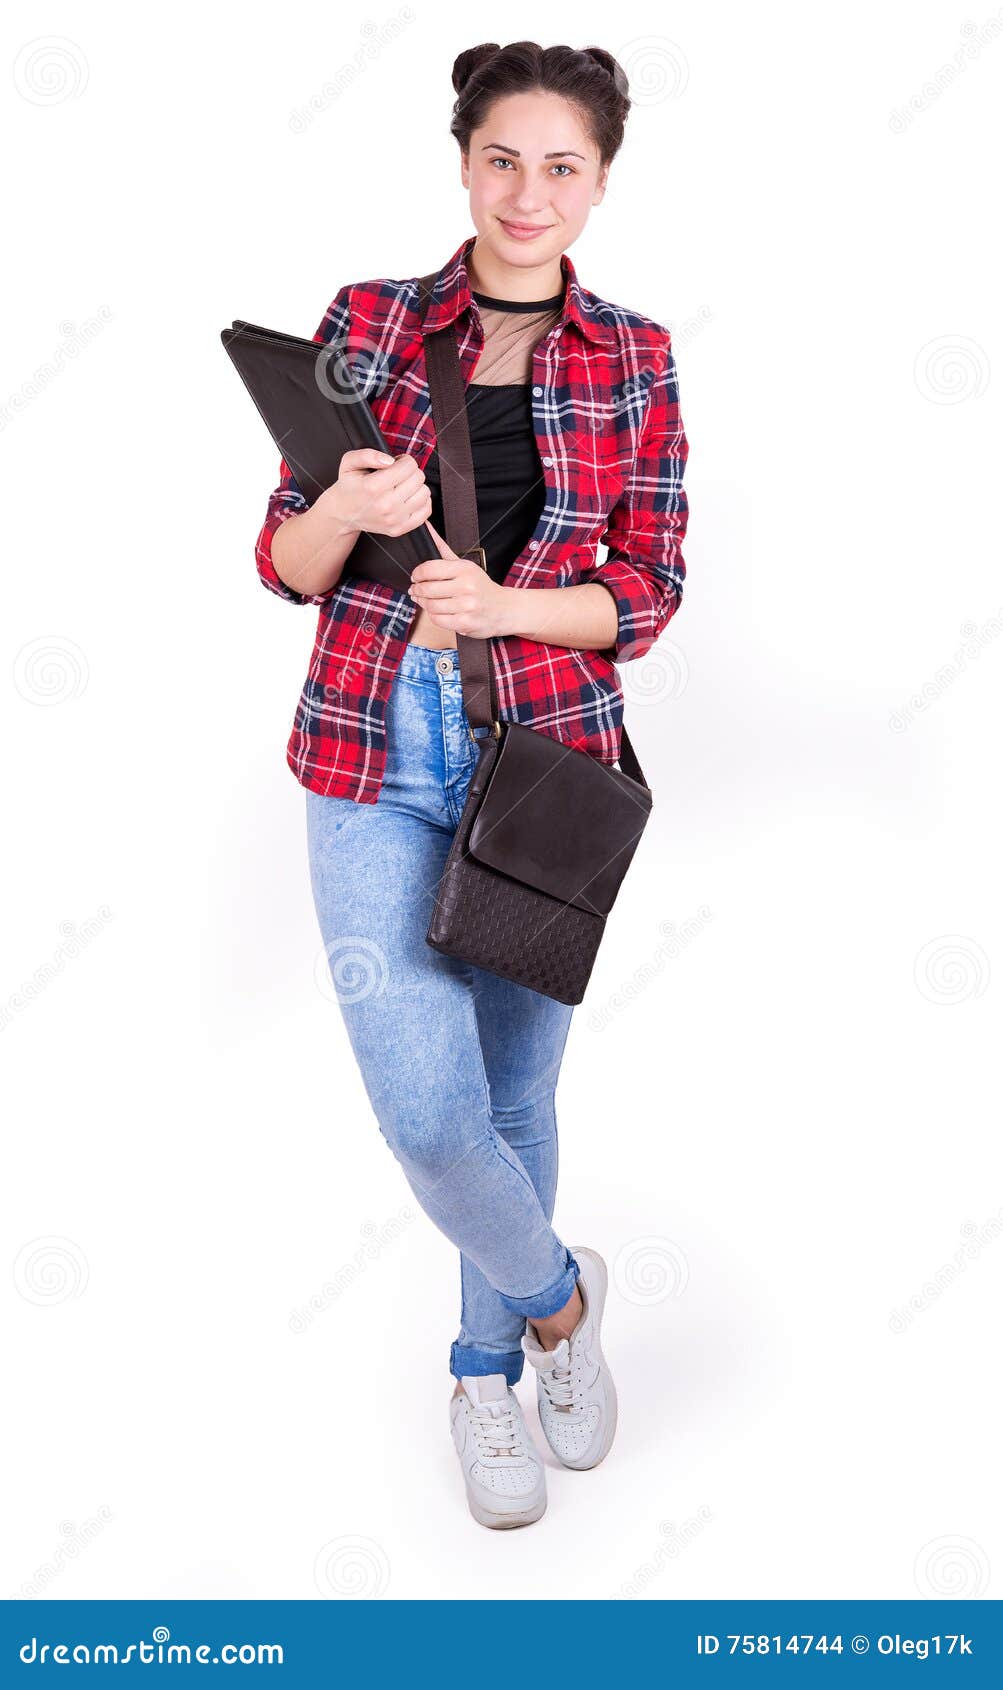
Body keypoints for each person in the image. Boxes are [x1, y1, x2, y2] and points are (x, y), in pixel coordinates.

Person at [253, 40, 689, 1529]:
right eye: (504, 157)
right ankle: (563, 1301)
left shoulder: (634, 353)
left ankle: (485, 1370)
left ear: (601, 184)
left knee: (513, 1094)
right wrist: (343, 510)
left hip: (548, 758)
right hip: (369, 753)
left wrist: (503, 608)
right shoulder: (368, 324)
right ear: (463, 161)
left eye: (562, 165)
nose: (529, 191)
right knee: (431, 1111)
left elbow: (650, 586)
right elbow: (283, 563)